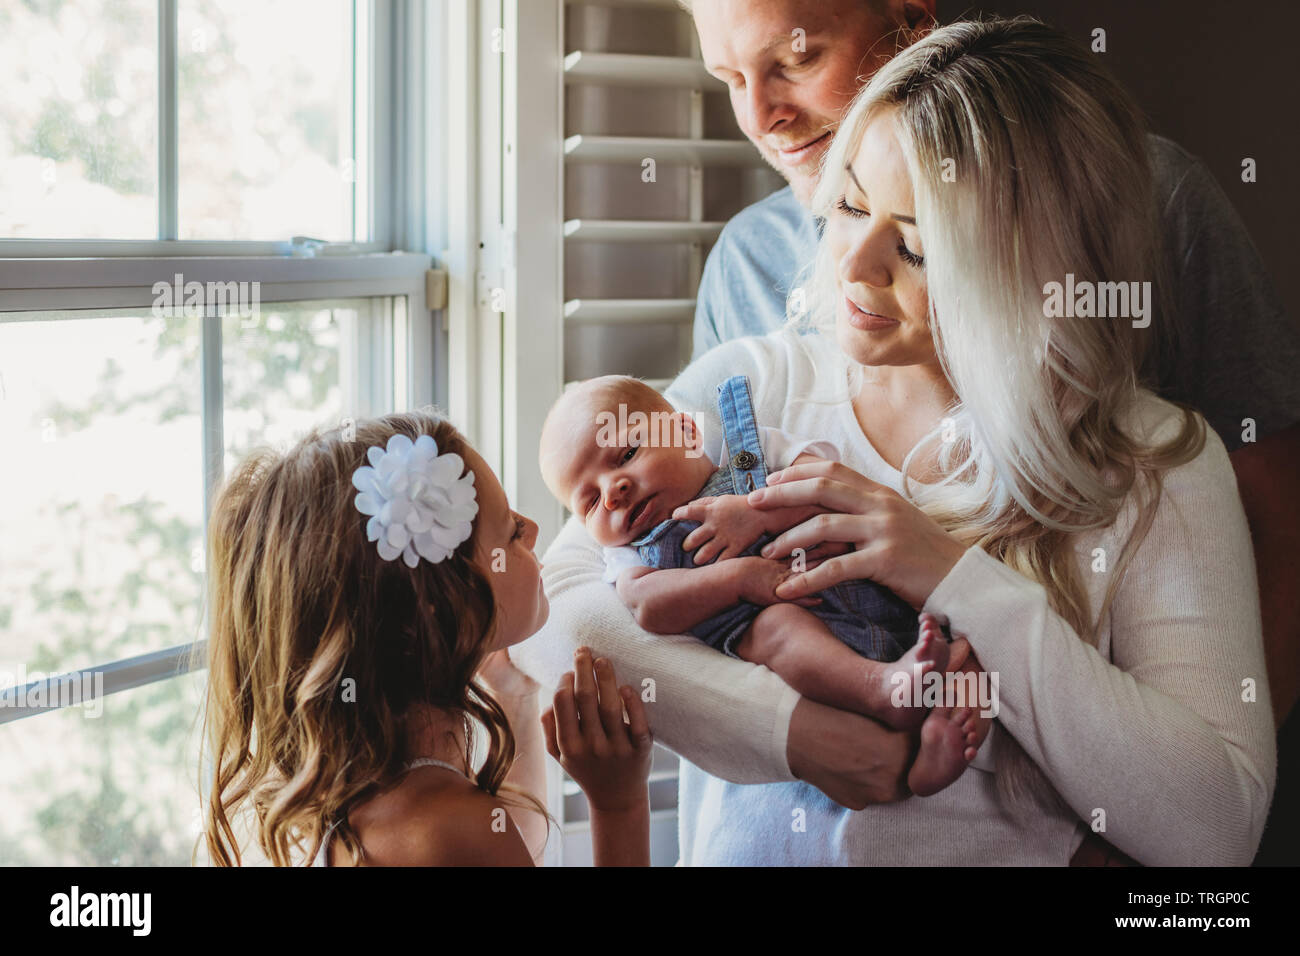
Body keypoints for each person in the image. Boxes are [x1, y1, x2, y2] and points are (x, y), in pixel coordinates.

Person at [515, 18, 1276, 865]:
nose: (854, 265)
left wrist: (949, 573)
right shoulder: (750, 391)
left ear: (1037, 265)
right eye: (848, 206)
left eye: (913, 246)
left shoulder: (1156, 464)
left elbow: (1217, 830)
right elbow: (559, 614)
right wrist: (797, 736)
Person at [684, 0, 1300, 737]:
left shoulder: (1147, 200)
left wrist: (1160, 806)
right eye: (728, 77)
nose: (759, 116)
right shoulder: (745, 269)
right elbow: (653, 564)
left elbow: (1275, 520)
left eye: (797, 60)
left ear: (912, 26)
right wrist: (803, 747)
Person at [199, 411, 653, 866]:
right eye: (510, 530)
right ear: (440, 603)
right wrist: (619, 805)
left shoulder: (366, 796)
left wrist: (514, 697)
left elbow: (517, 841)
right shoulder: (455, 832)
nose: (531, 529)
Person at [539, 373, 987, 795]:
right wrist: (735, 578)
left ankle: (938, 747)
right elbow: (646, 607)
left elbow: (832, 487)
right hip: (789, 634)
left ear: (685, 433)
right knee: (778, 630)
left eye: (626, 455)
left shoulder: (754, 450)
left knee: (969, 660)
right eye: (591, 500)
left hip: (874, 587)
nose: (613, 490)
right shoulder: (628, 553)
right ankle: (881, 689)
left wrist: (758, 512)